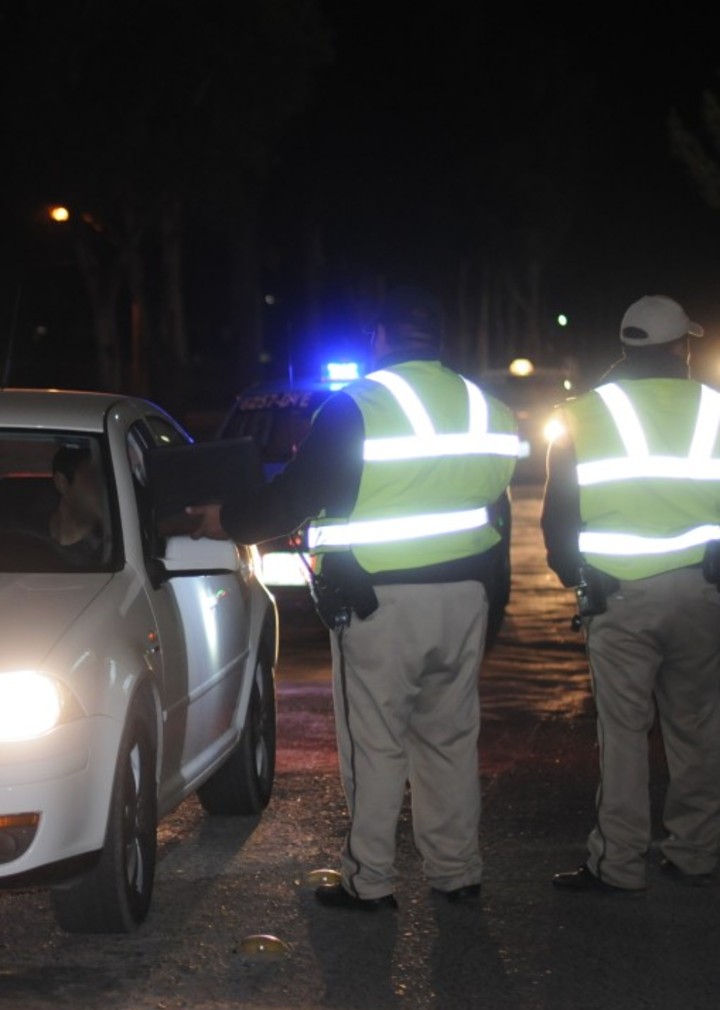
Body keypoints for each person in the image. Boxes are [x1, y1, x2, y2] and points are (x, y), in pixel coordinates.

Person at [187, 285, 519, 911]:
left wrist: (224, 521)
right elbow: (501, 519)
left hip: (381, 603)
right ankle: (457, 872)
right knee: (449, 740)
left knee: (376, 744)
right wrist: (492, 606)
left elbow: (294, 497)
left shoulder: (357, 406)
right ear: (438, 341)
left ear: (380, 339)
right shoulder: (490, 409)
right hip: (466, 599)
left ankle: (371, 881)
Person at [542, 294, 720, 896]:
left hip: (620, 596)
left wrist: (579, 578)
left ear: (627, 348)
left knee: (621, 732)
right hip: (702, 591)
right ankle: (695, 852)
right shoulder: (715, 408)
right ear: (681, 347)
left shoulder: (583, 413)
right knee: (696, 725)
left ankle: (618, 863)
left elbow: (558, 515)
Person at [46, 445, 105, 566]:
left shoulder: (111, 552)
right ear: (62, 482)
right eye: (95, 478)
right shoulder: (25, 534)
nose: (105, 489)